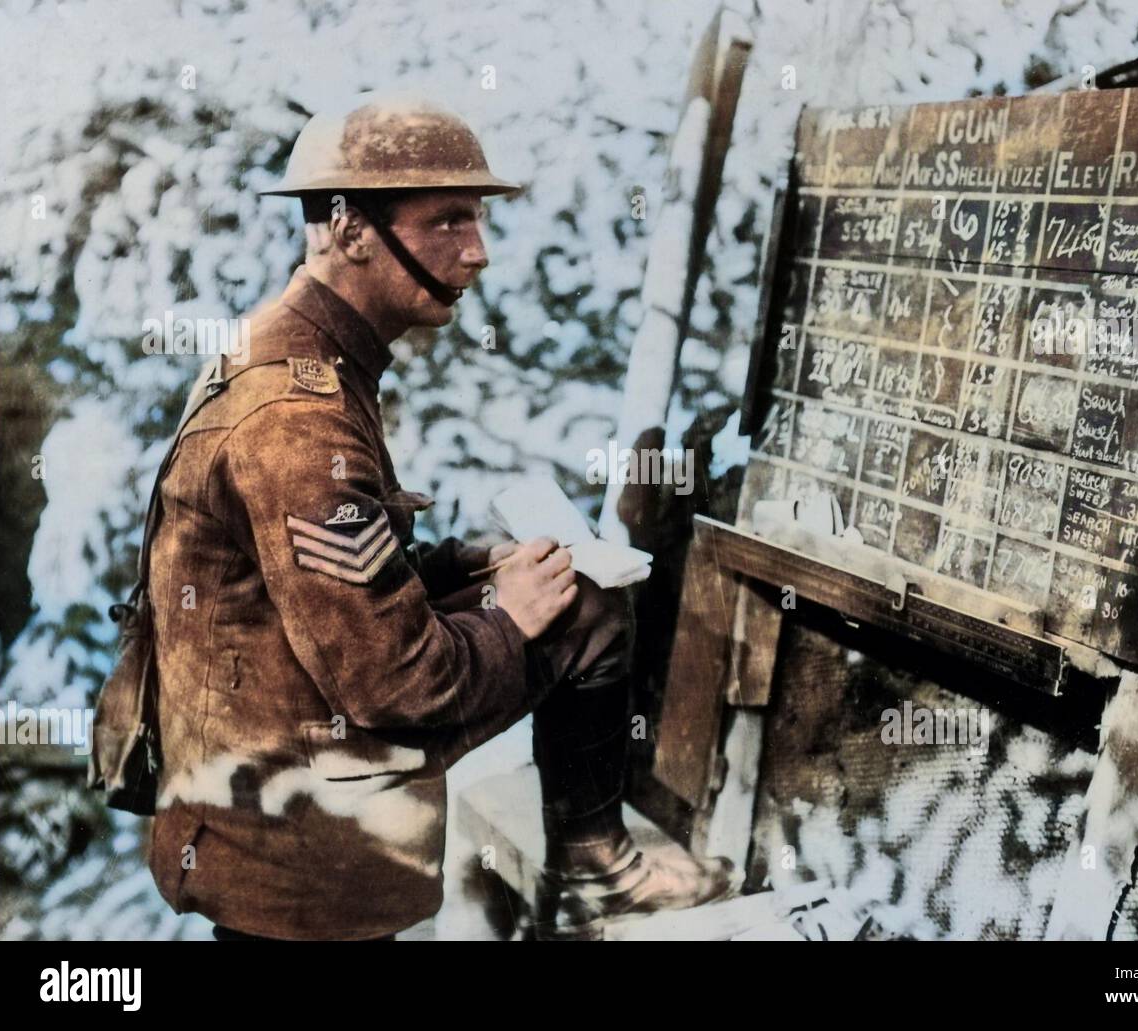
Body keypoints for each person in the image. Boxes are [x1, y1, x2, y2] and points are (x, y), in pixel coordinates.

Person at [145, 91, 738, 941]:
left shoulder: (299, 351)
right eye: (448, 222)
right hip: (294, 848)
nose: (479, 252)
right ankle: (592, 864)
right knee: (572, 615)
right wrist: (508, 617)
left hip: (278, 773)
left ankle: (592, 863)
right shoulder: (296, 418)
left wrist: (466, 564)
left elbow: (314, 582)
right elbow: (398, 683)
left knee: (588, 609)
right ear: (349, 229)